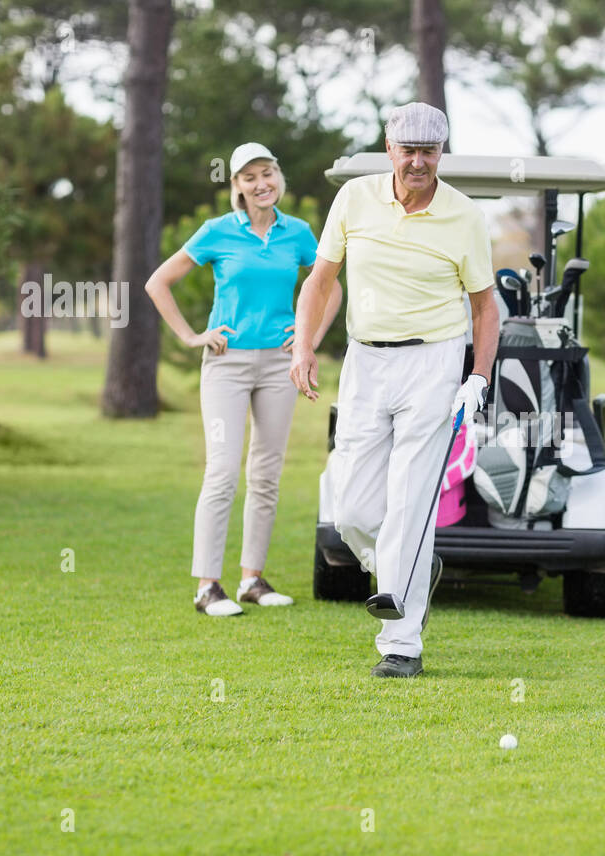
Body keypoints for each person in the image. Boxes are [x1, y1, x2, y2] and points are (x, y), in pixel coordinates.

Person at [290, 103, 500, 677]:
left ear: (440, 154)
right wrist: (304, 345)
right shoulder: (355, 199)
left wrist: (476, 377)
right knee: (352, 508)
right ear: (389, 149)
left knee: (411, 501)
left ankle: (400, 646)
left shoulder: (464, 216)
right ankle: (407, 570)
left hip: (433, 361)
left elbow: (486, 309)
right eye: (406, 150)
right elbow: (321, 280)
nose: (416, 162)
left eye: (427, 152)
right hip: (365, 359)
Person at [145, 143, 343, 616]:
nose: (261, 183)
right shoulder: (217, 232)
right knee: (222, 472)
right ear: (236, 185)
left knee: (266, 473)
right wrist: (193, 336)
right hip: (227, 365)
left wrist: (309, 338)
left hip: (279, 365)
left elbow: (329, 285)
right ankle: (207, 587)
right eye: (250, 176)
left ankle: (252, 578)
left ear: (279, 177)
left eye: (268, 173)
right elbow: (157, 282)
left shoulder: (296, 233)